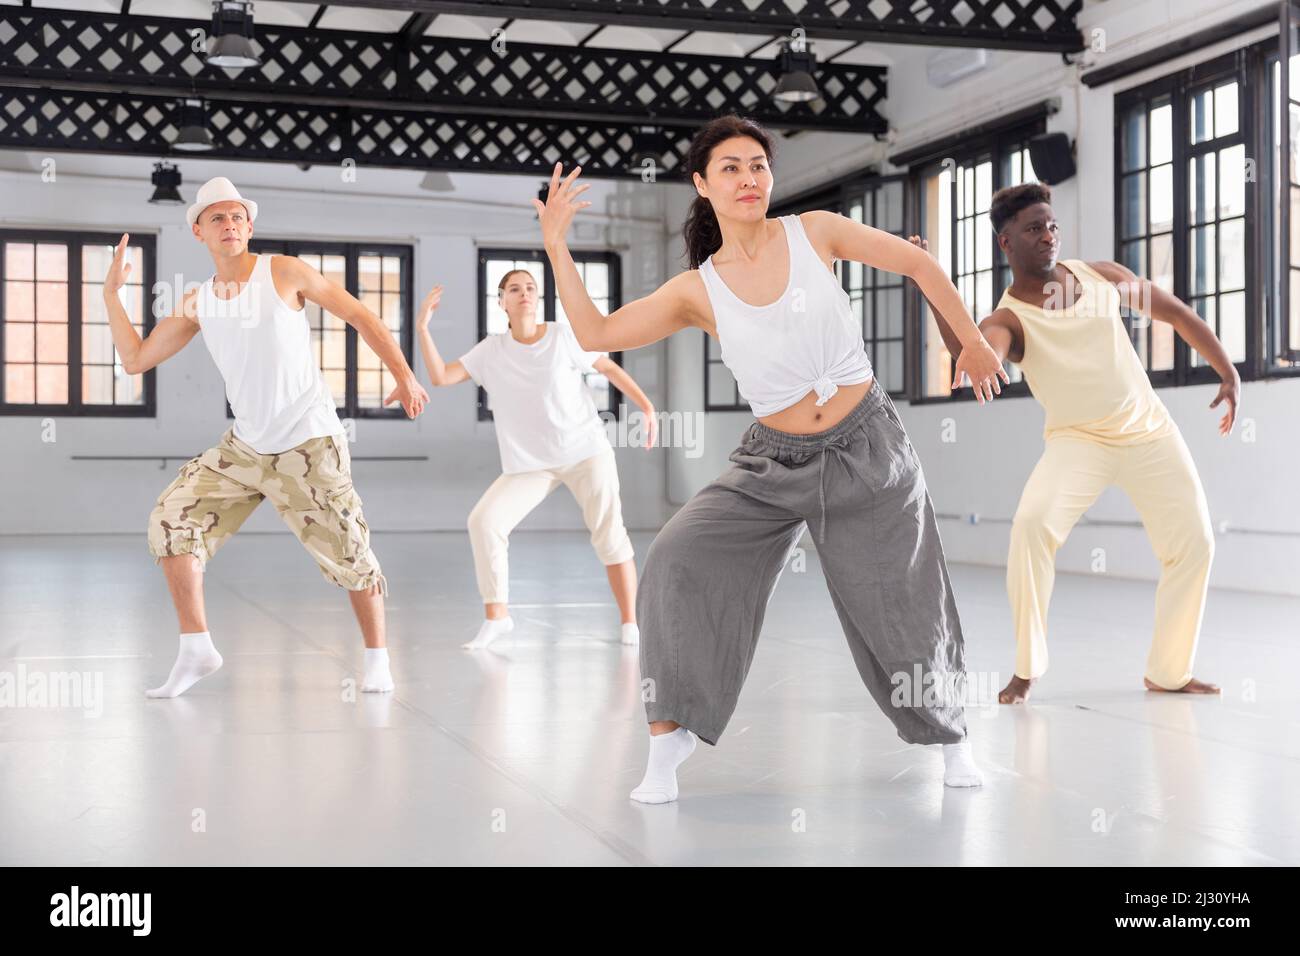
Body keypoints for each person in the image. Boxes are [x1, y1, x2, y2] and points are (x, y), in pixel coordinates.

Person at [533, 114, 1010, 804]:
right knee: (676, 556)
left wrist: (970, 341)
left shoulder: (816, 232)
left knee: (904, 601)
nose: (748, 178)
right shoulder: (698, 289)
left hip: (868, 447)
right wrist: (556, 246)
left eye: (757, 165)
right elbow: (596, 332)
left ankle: (952, 737)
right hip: (773, 461)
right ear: (702, 185)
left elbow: (918, 264)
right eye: (730, 168)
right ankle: (670, 737)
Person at [102, 176, 428, 698]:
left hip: (308, 441)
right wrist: (111, 294)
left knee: (350, 553)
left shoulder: (283, 271)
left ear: (249, 227)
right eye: (217, 218)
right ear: (199, 232)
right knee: (171, 519)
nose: (230, 225)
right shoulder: (199, 301)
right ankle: (196, 649)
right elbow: (137, 359)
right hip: (246, 447)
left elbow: (359, 314)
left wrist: (405, 376)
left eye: (238, 217)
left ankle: (377, 660)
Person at [909, 181, 1231, 704]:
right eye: (1034, 228)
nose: (1048, 236)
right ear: (1006, 242)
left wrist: (1227, 371)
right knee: (1032, 527)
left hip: (1149, 431)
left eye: (1052, 225)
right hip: (1078, 442)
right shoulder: (1008, 318)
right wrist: (930, 281)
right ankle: (1027, 667)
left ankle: (1169, 671)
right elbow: (978, 353)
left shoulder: (1101, 277)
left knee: (1195, 544)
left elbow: (1174, 312)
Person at [414, 270, 655, 649]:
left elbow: (607, 367)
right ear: (502, 302)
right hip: (530, 465)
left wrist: (647, 406)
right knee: (484, 522)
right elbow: (442, 376)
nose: (524, 293)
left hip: (585, 453)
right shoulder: (491, 351)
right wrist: (422, 329)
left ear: (538, 297)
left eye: (530, 288)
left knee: (609, 534)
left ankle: (631, 622)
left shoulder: (561, 336)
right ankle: (497, 618)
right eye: (514, 289)